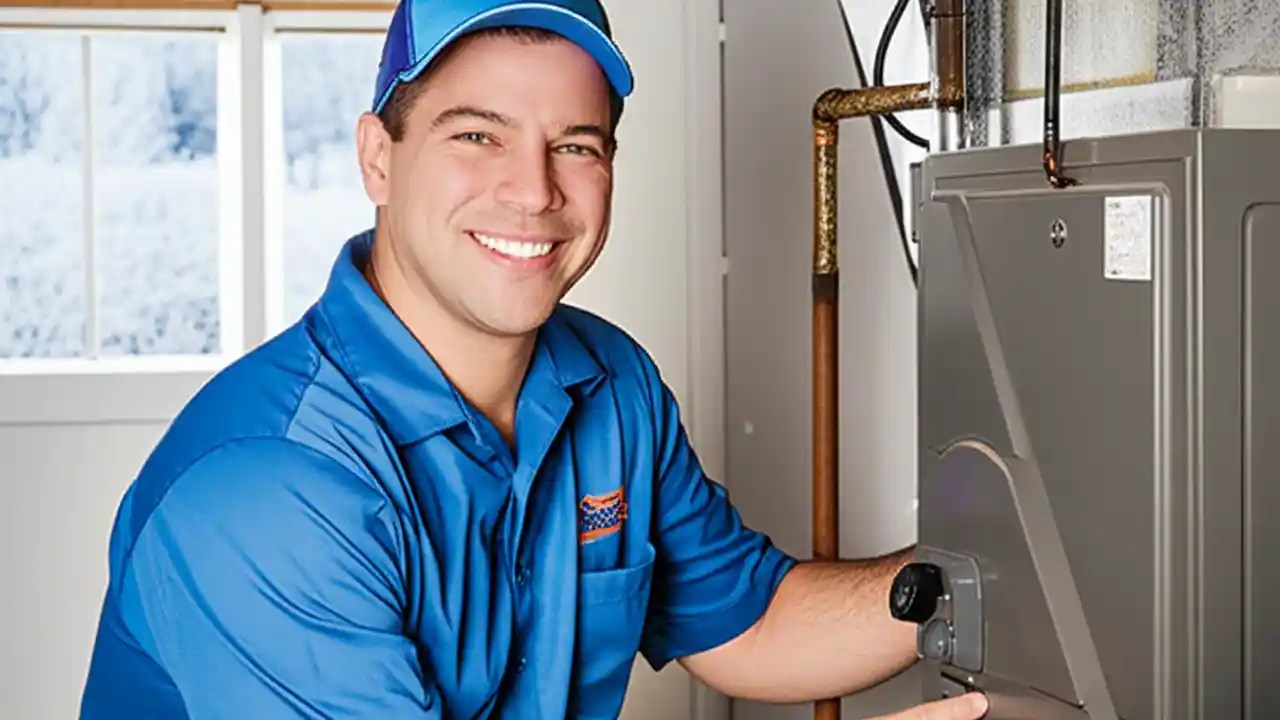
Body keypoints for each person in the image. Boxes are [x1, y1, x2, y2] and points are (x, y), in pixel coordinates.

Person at [79, 1, 988, 718]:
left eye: (576, 145)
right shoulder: (270, 485)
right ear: (377, 158)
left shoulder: (609, 385)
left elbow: (751, 624)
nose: (534, 189)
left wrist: (998, 575)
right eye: (477, 134)